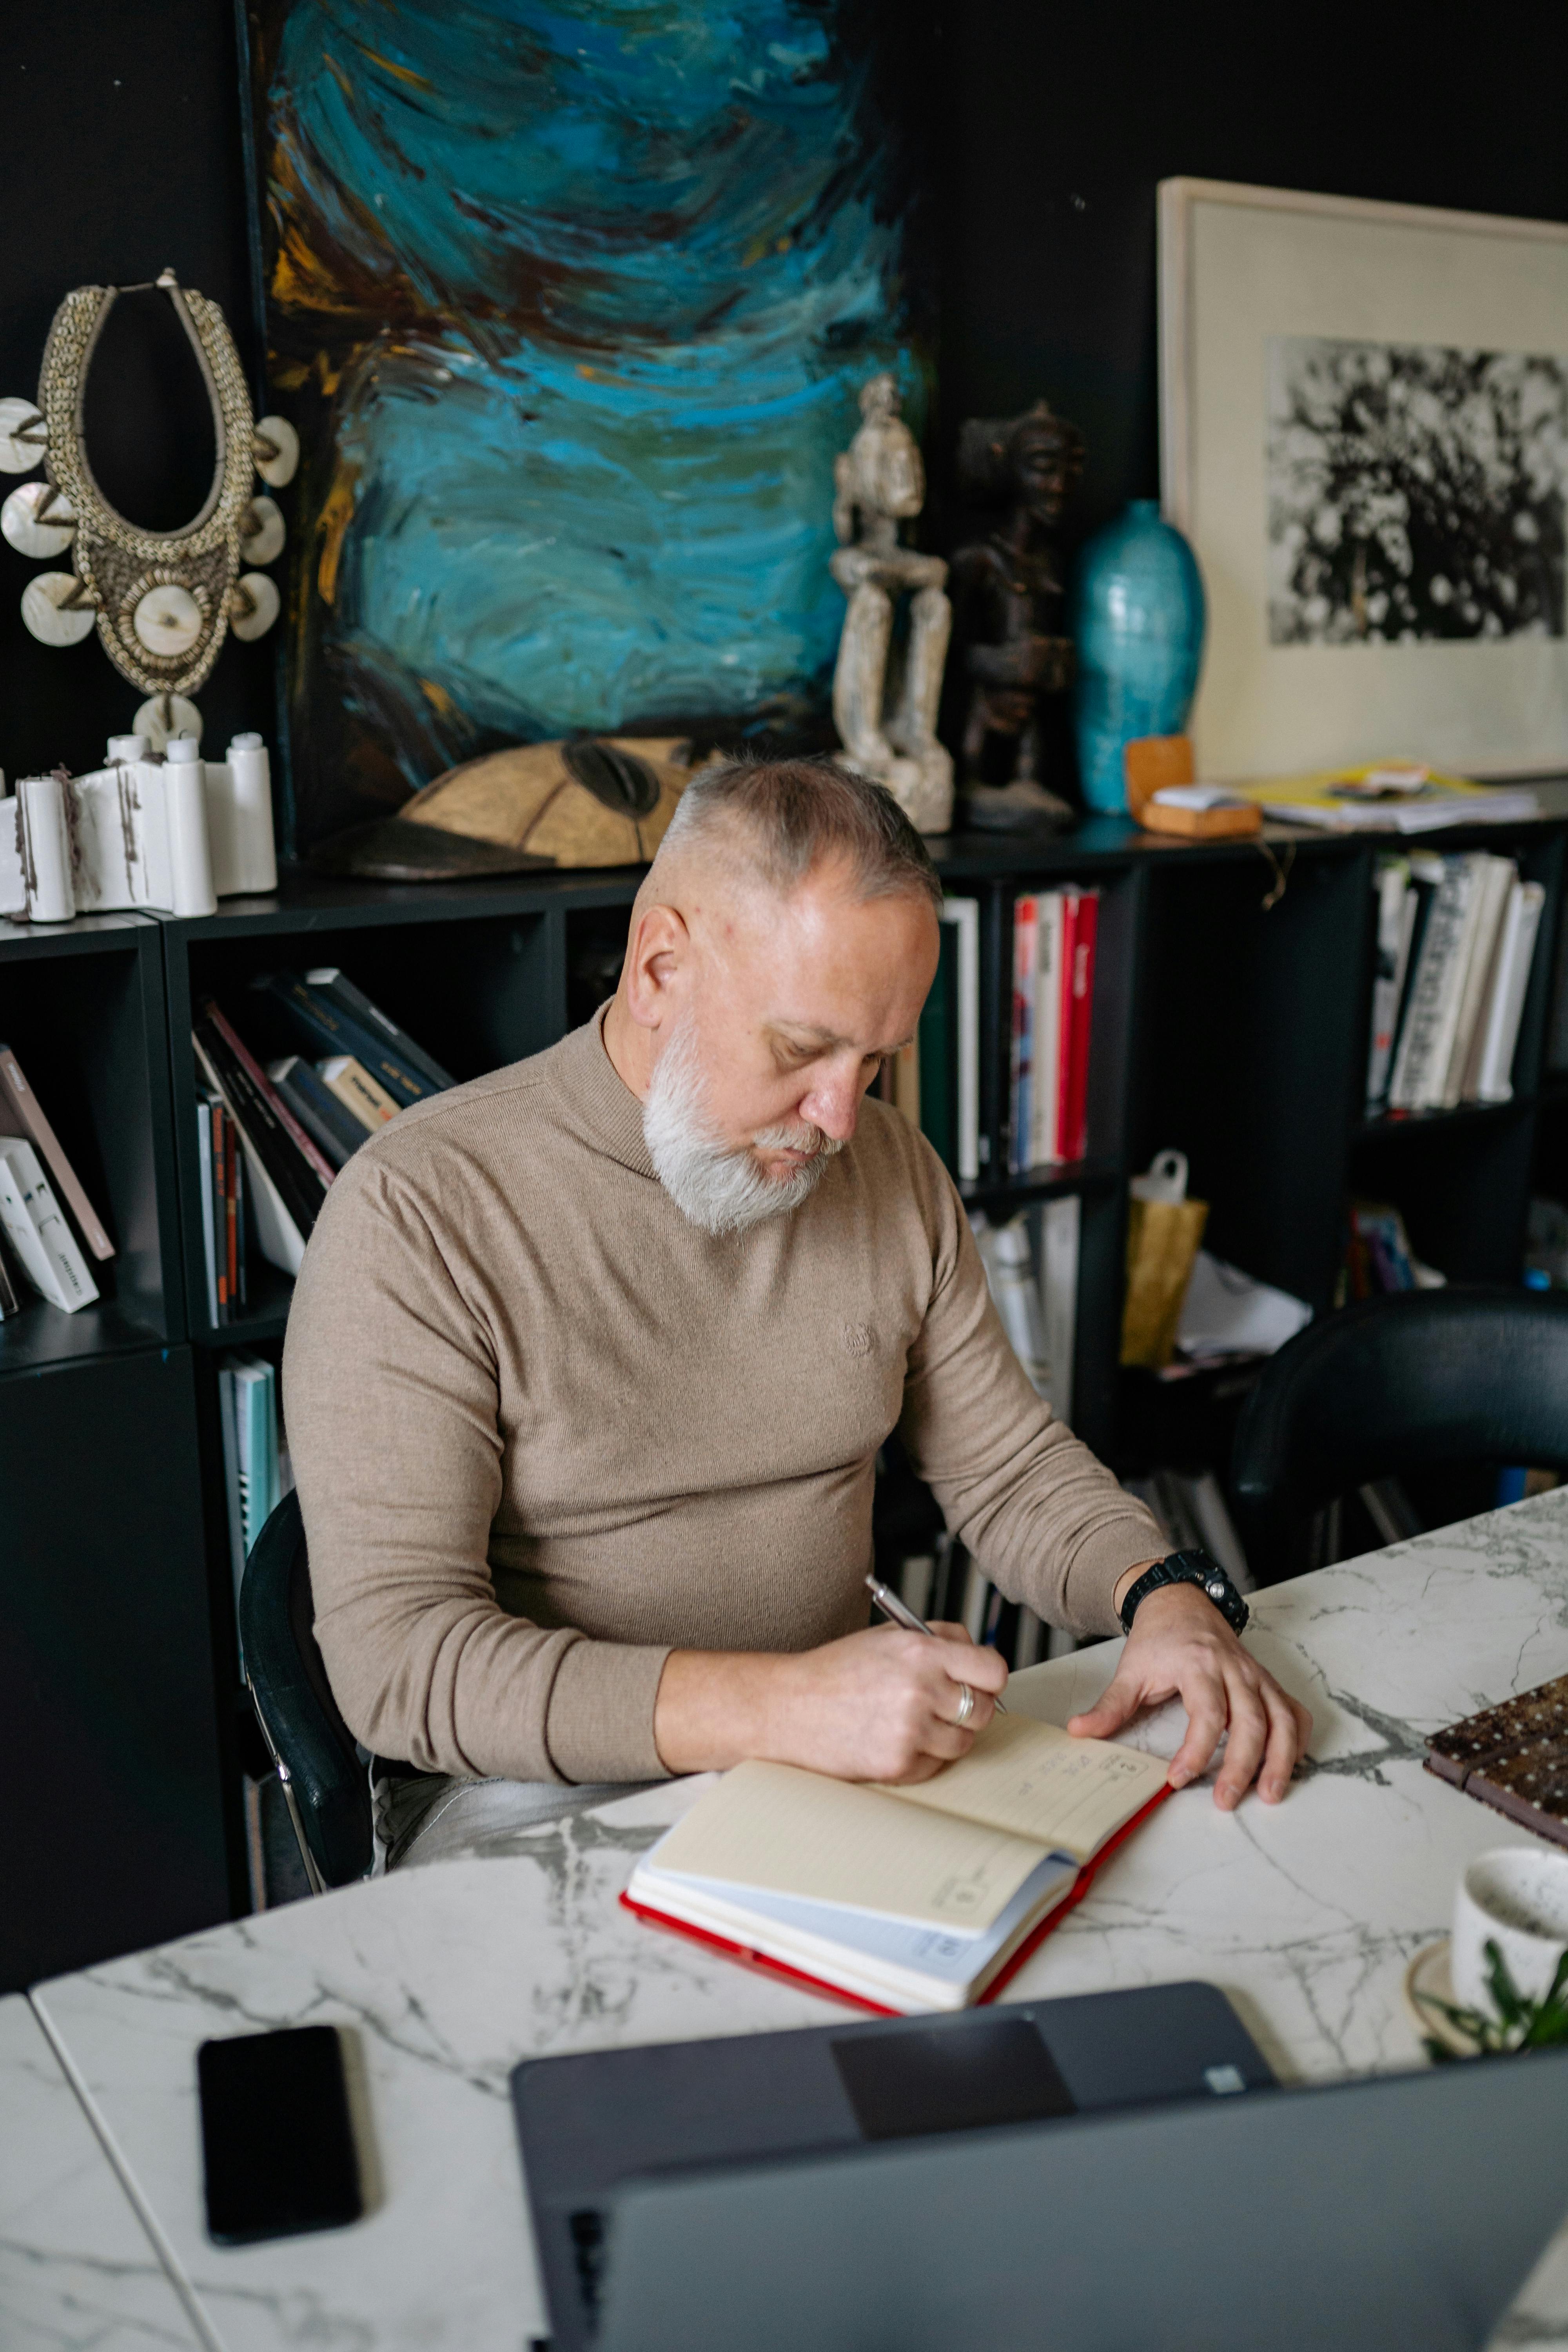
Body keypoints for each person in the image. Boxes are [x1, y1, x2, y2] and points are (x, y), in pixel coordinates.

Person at [285, 759, 1310, 1868]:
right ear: (660, 969)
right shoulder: (420, 1210)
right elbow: (402, 1666)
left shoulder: (890, 1168)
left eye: (874, 1060)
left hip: (832, 1774)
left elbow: (1008, 1469)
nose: (837, 1116)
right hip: (540, 1808)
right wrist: (781, 1708)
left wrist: (1163, 1594)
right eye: (800, 1047)